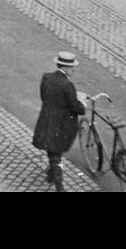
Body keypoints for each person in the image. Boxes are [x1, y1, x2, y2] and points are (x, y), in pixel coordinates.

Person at [32, 51, 86, 191]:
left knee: (53, 151)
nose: (73, 70)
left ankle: (51, 174)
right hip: (61, 126)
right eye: (72, 67)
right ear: (66, 68)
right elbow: (74, 107)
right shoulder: (67, 85)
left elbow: (44, 97)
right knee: (56, 154)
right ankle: (59, 186)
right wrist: (83, 105)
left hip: (47, 121)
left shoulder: (46, 78)